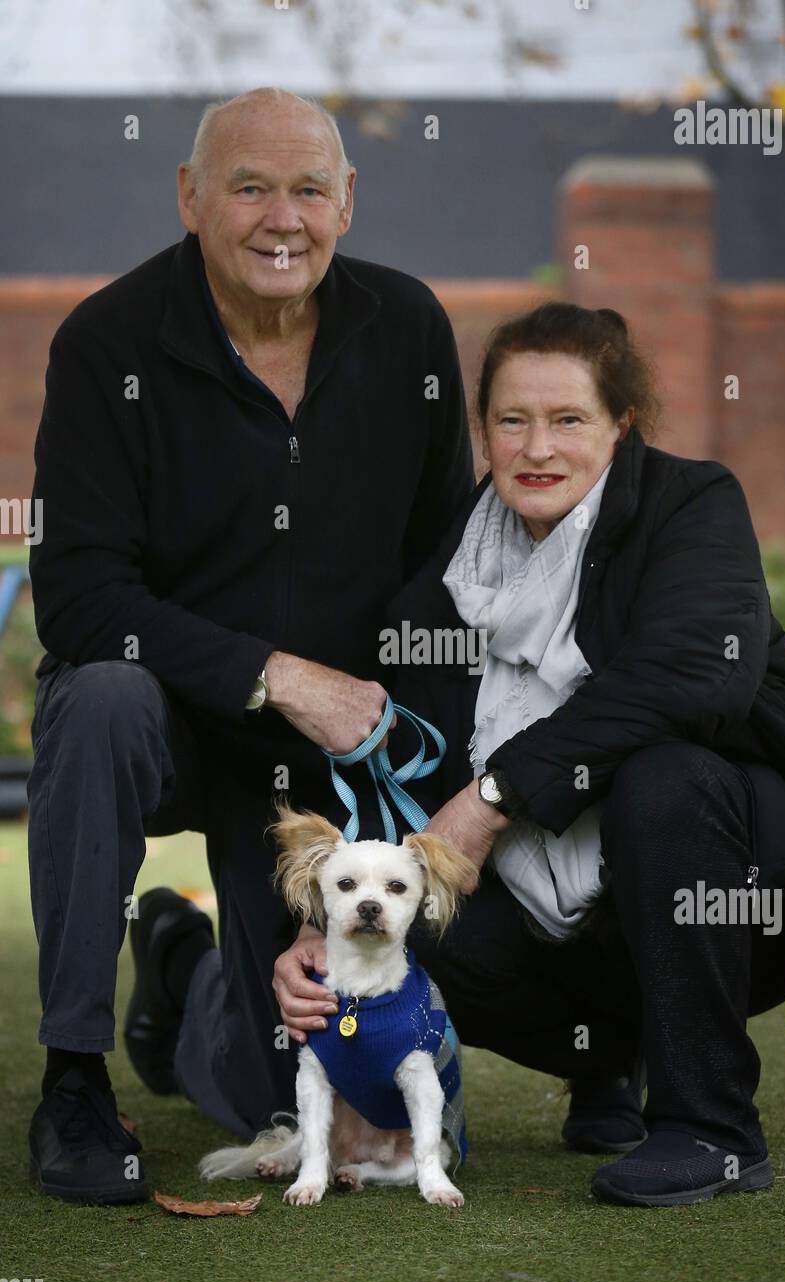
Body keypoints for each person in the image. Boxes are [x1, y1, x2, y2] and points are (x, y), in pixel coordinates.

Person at [275, 302, 785, 1206]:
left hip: (727, 900)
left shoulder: (691, 503)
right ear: (484, 430)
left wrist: (493, 794)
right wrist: (326, 921)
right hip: (554, 936)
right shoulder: (452, 572)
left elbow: (693, 677)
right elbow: (404, 769)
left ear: (621, 424)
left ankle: (711, 1127)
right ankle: (606, 1061)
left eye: (568, 420)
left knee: (665, 782)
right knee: (418, 903)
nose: (536, 447)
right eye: (512, 420)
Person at [26, 87, 474, 1204]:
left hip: (327, 764)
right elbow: (79, 596)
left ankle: (174, 969)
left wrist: (391, 744)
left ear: (348, 201)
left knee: (273, 1080)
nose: (284, 218)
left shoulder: (407, 326)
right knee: (100, 695)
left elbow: (445, 575)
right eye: (250, 187)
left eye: (309, 189)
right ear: (189, 197)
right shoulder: (106, 343)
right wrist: (273, 675)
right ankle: (72, 1078)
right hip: (172, 717)